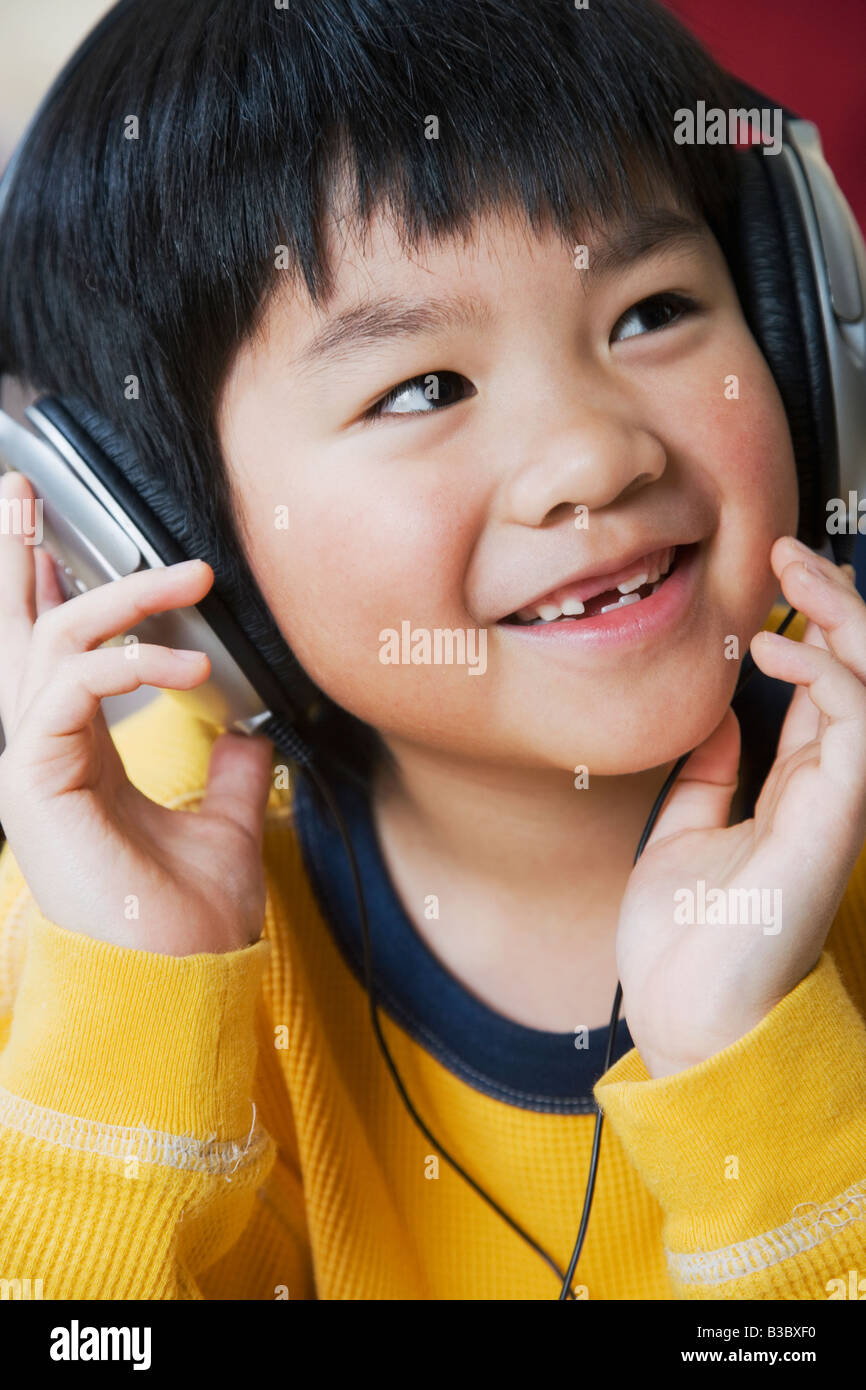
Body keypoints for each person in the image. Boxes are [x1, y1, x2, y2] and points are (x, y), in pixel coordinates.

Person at [0, 0, 864, 1300]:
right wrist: (137, 1044)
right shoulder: (107, 926)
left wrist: (751, 1071)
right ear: (158, 534)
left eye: (650, 311)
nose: (591, 455)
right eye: (419, 389)